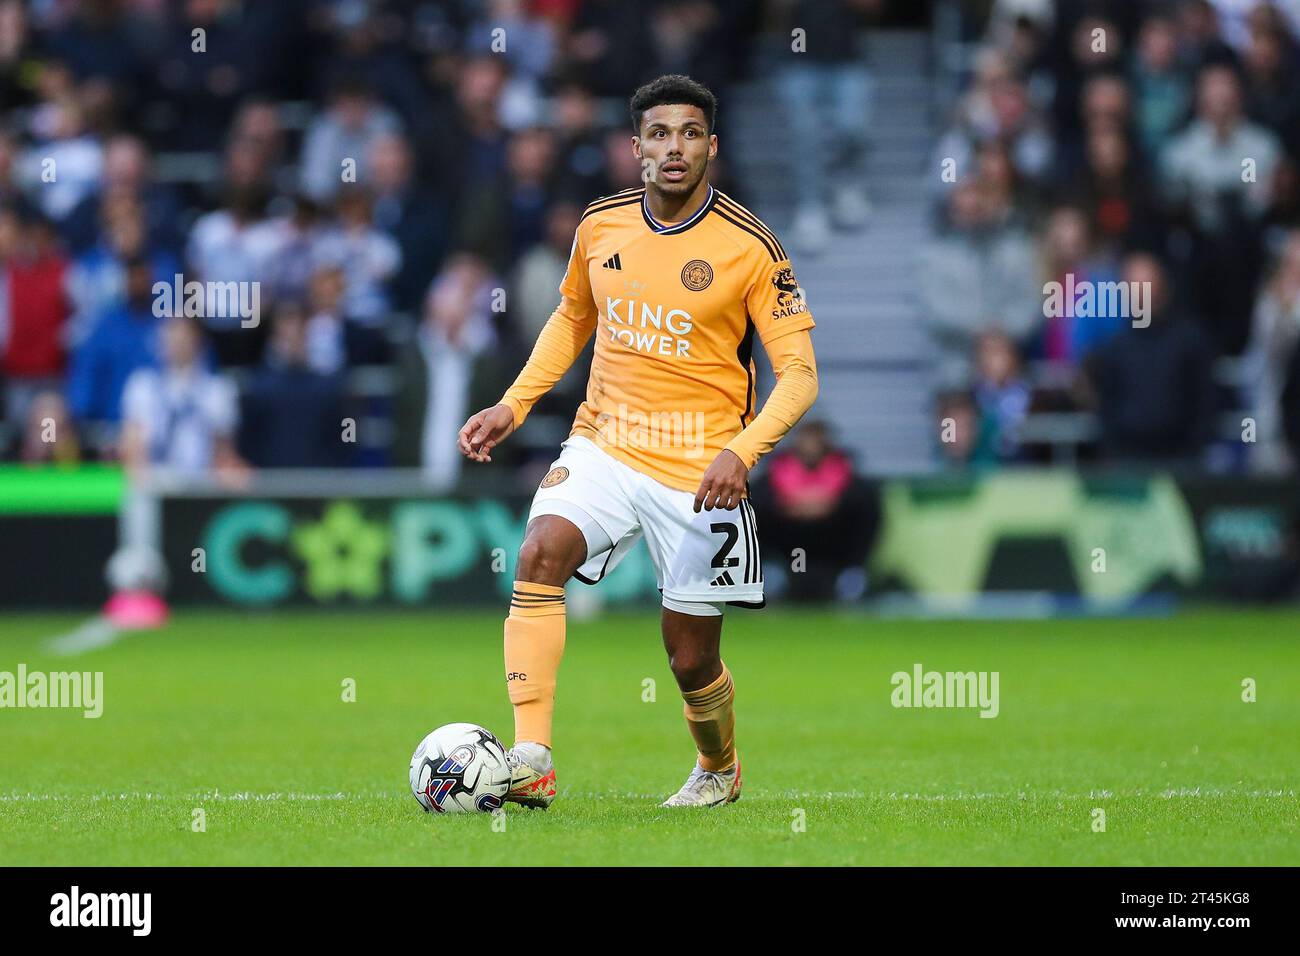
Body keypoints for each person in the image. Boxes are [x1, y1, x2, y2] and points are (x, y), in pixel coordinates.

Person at [457, 75, 819, 809]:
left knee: (689, 659)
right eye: (659, 134)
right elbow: (571, 320)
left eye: (689, 133)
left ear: (711, 147)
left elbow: (802, 376)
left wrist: (741, 453)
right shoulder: (601, 225)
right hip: (606, 442)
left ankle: (718, 766)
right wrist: (514, 404)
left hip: (701, 465)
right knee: (538, 552)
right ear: (636, 149)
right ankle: (533, 756)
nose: (674, 147)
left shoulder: (750, 247)